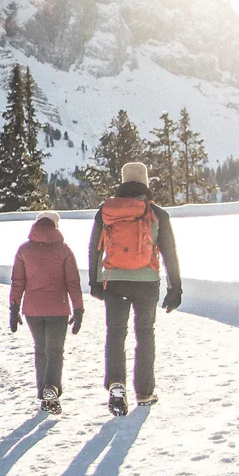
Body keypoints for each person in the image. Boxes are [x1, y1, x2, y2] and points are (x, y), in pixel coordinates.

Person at [88, 161, 182, 416]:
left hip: (115, 280)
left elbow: (95, 247)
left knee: (115, 333)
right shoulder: (157, 213)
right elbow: (169, 252)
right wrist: (175, 288)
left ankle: (116, 384)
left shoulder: (107, 211)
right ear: (145, 182)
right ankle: (145, 392)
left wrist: (95, 281)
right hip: (147, 282)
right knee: (145, 334)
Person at [9, 210, 84, 415]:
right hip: (58, 309)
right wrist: (78, 309)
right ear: (55, 226)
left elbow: (17, 282)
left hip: (32, 310)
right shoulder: (64, 250)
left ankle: (45, 395)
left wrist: (14, 307)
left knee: (40, 350)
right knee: (55, 351)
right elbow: (73, 282)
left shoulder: (24, 250)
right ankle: (51, 388)